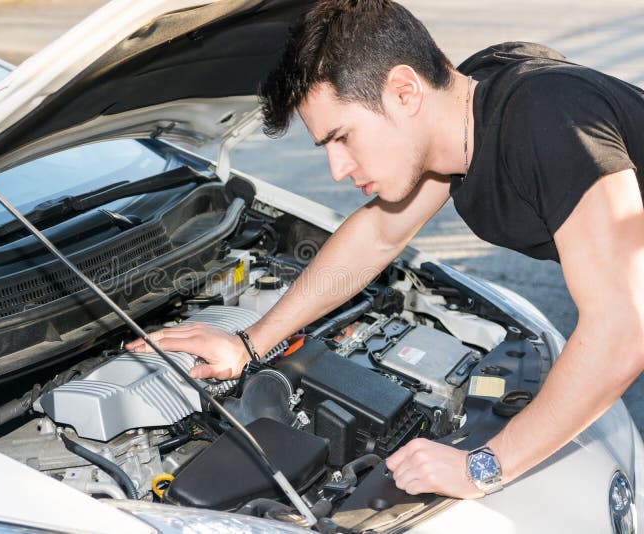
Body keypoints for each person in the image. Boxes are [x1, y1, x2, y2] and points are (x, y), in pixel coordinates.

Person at [126, 0, 644, 499]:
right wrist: (249, 344)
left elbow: (621, 331)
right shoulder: (472, 104)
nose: (336, 169)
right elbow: (377, 235)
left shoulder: (549, 116)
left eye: (343, 137)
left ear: (403, 90)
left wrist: (483, 466)